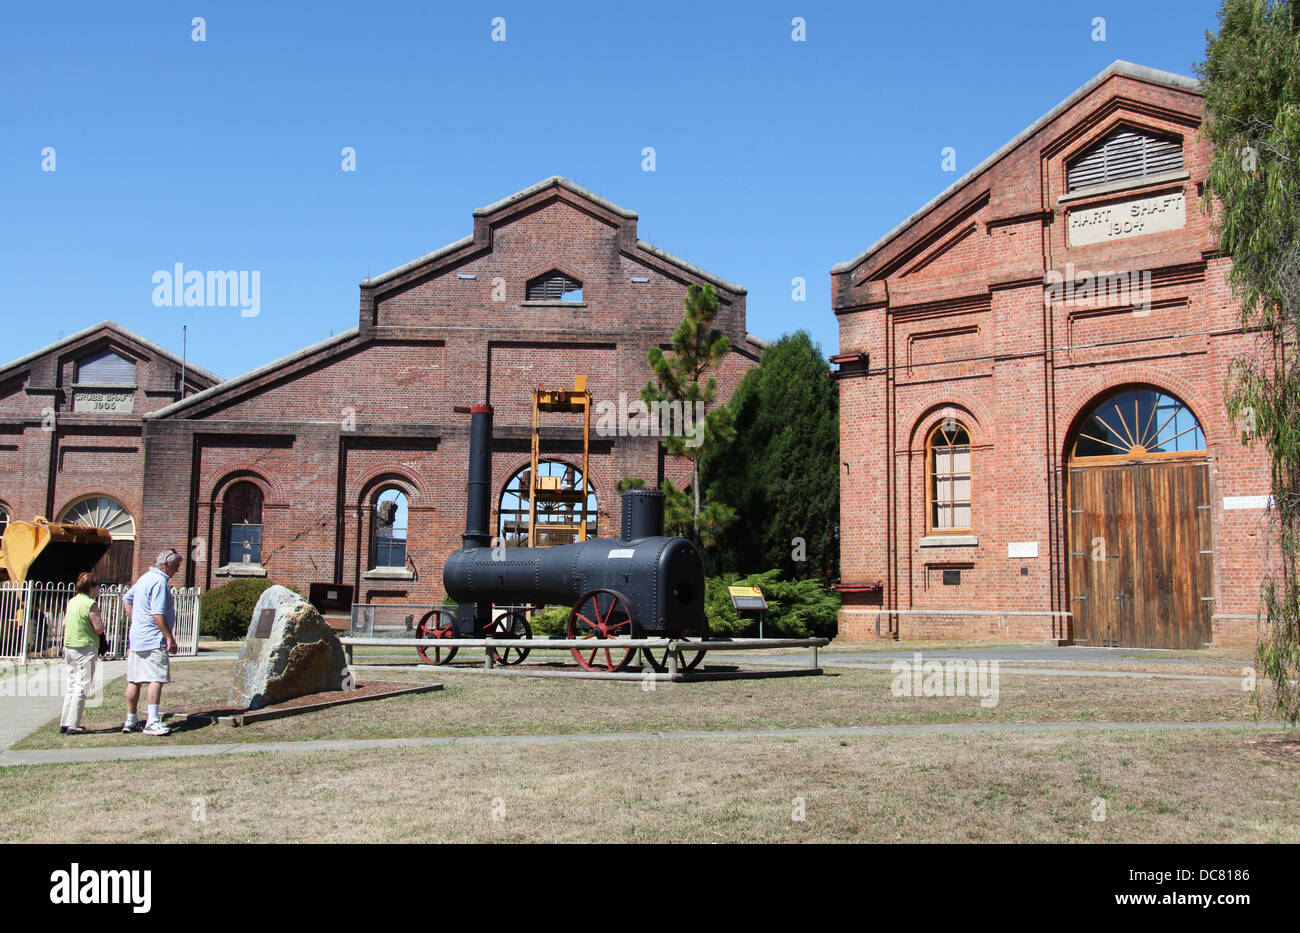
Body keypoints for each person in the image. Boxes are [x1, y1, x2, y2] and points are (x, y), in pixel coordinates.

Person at [121, 549, 182, 736]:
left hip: (138, 637)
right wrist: (168, 637)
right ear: (165, 564)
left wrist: (136, 622)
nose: (176, 571)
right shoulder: (159, 582)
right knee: (156, 679)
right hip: (154, 639)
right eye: (175, 567)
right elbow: (157, 613)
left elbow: (126, 599)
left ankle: (130, 720)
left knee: (134, 680)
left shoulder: (144, 578)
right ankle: (152, 722)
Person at [59, 572, 105, 734]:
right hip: (85, 647)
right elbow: (98, 628)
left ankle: (65, 721)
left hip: (70, 647)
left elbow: (64, 623)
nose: (99, 589)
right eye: (97, 586)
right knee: (82, 686)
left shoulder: (72, 601)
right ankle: (74, 723)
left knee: (71, 684)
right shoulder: (90, 604)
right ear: (91, 588)